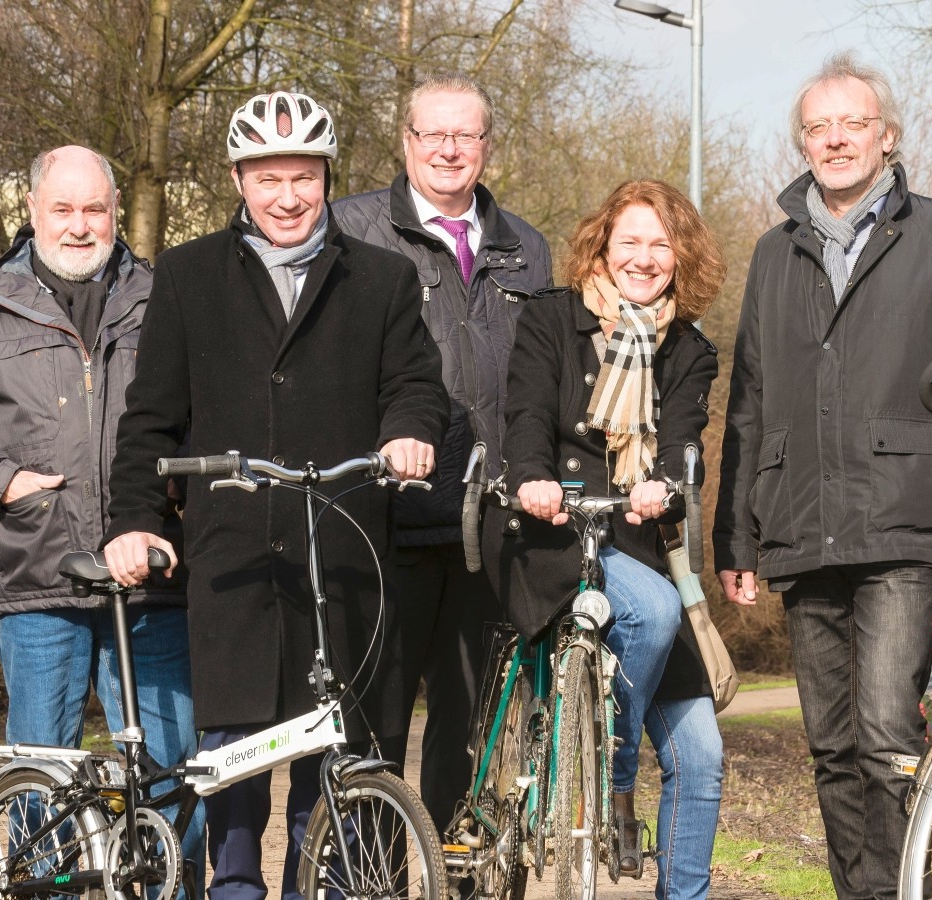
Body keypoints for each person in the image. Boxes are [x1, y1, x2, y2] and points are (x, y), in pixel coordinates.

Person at [102, 90, 448, 900]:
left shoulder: (383, 279)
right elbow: (150, 419)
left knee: (334, 769)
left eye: (302, 177)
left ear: (327, 177)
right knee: (235, 770)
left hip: (343, 558)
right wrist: (133, 522)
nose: (286, 197)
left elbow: (415, 386)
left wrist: (407, 432)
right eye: (267, 179)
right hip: (235, 563)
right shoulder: (187, 276)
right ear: (237, 180)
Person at [711, 52, 932, 900]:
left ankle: (910, 886)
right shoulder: (774, 251)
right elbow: (752, 399)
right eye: (818, 127)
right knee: (831, 747)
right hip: (802, 523)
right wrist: (738, 533)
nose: (835, 139)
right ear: (802, 141)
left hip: (903, 518)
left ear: (887, 135)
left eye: (852, 123)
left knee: (885, 734)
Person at [0, 145, 205, 896]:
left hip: (150, 582)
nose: (79, 226)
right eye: (62, 210)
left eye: (94, 209)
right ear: (33, 212)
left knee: (176, 773)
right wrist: (0, 481)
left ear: (114, 214)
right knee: (44, 778)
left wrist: (181, 497)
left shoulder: (163, 297)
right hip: (35, 575)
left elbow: (205, 410)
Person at [484, 179, 723, 899]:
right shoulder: (553, 319)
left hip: (640, 545)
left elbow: (684, 443)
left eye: (661, 244)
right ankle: (616, 776)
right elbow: (524, 412)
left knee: (704, 755)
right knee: (651, 610)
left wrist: (668, 485)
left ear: (681, 257)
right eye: (631, 242)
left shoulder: (690, 348)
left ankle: (682, 891)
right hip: (552, 535)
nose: (644, 258)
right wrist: (530, 476)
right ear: (602, 247)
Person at [332, 73, 552, 833]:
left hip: (487, 525)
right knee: (375, 726)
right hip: (384, 520)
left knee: (468, 730)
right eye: (434, 134)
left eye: (467, 135)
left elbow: (540, 380)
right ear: (407, 143)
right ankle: (374, 877)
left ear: (487, 146)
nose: (451, 149)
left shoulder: (528, 247)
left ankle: (456, 877)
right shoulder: (351, 230)